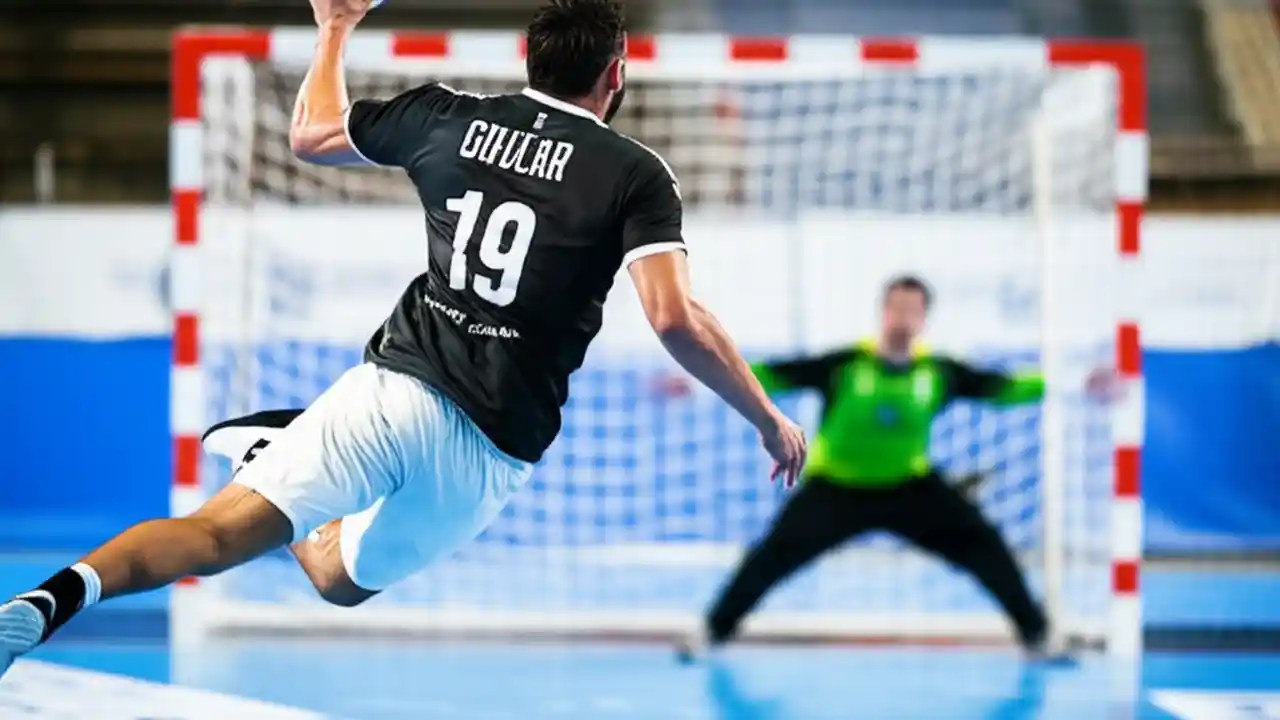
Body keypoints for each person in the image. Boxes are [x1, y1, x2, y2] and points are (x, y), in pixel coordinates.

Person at [0, 0, 806, 676]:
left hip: (388, 390)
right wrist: (768, 418)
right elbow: (673, 318)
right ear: (616, 75)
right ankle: (270, 458)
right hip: (488, 445)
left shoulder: (448, 118)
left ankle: (44, 603)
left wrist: (337, 28)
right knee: (343, 583)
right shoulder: (635, 172)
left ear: (529, 58)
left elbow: (312, 134)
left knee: (217, 537)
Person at [672, 274, 1119, 662]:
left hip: (908, 488)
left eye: (913, 309)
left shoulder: (938, 373)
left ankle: (1037, 635)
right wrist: (692, 387)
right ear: (883, 312)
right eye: (896, 307)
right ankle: (714, 630)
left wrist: (1078, 382)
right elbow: (769, 375)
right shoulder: (846, 365)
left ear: (924, 318)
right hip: (836, 490)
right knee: (770, 559)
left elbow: (1004, 388)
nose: (903, 316)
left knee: (985, 546)